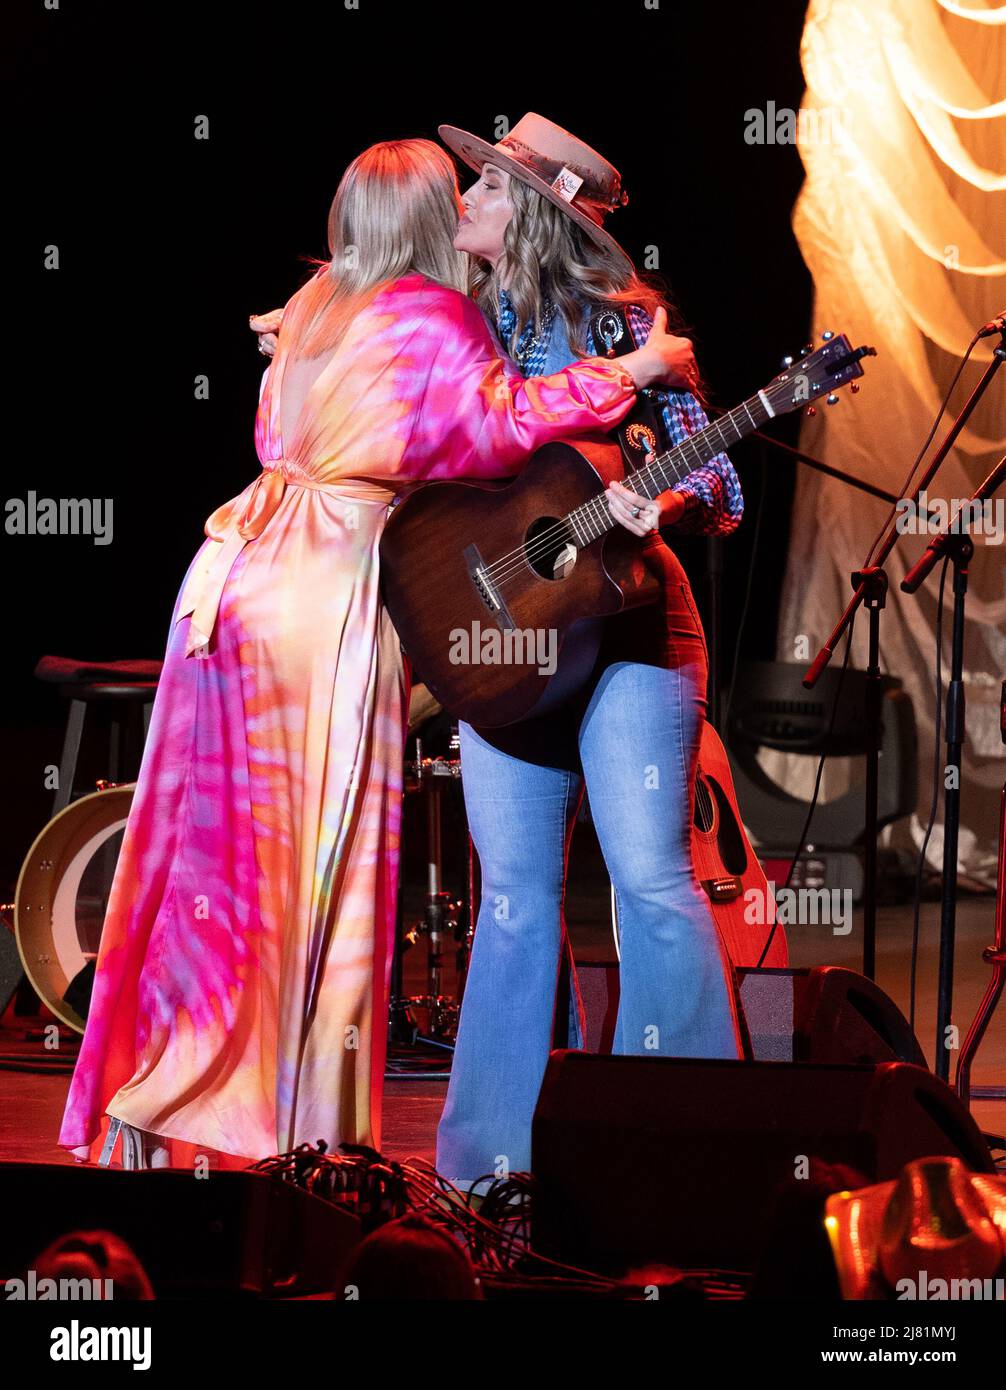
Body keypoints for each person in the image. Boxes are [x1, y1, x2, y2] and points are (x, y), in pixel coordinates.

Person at [58, 137, 692, 1170]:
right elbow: (499, 429)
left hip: (227, 578)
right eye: (459, 193)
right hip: (326, 581)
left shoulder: (312, 308)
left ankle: (157, 1085)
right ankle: (303, 1131)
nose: (468, 207)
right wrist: (634, 369)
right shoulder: (430, 316)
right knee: (323, 863)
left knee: (206, 851)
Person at [431, 115, 748, 1185]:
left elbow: (722, 484)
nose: (464, 197)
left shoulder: (627, 326)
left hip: (628, 641)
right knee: (513, 897)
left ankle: (696, 1152)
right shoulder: (456, 325)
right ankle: (492, 1163)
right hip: (508, 643)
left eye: (483, 185)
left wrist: (670, 501)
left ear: (524, 209)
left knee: (650, 878)